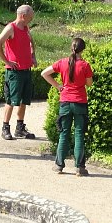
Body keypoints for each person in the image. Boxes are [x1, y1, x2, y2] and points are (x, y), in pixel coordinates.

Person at [41, 37, 94, 177]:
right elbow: (89, 84)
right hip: (80, 102)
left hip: (65, 102)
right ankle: (80, 168)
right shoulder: (85, 65)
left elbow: (44, 73)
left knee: (64, 133)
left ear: (71, 48)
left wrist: (58, 86)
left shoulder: (62, 62)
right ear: (83, 49)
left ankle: (59, 165)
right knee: (79, 134)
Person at [0, 4, 38, 140]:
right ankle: (5, 127)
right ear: (23, 16)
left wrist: (33, 56)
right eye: (30, 17)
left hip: (26, 70)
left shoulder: (26, 28)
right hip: (14, 72)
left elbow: (31, 42)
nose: (31, 19)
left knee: (24, 100)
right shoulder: (10, 28)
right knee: (11, 101)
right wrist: (7, 62)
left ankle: (20, 128)